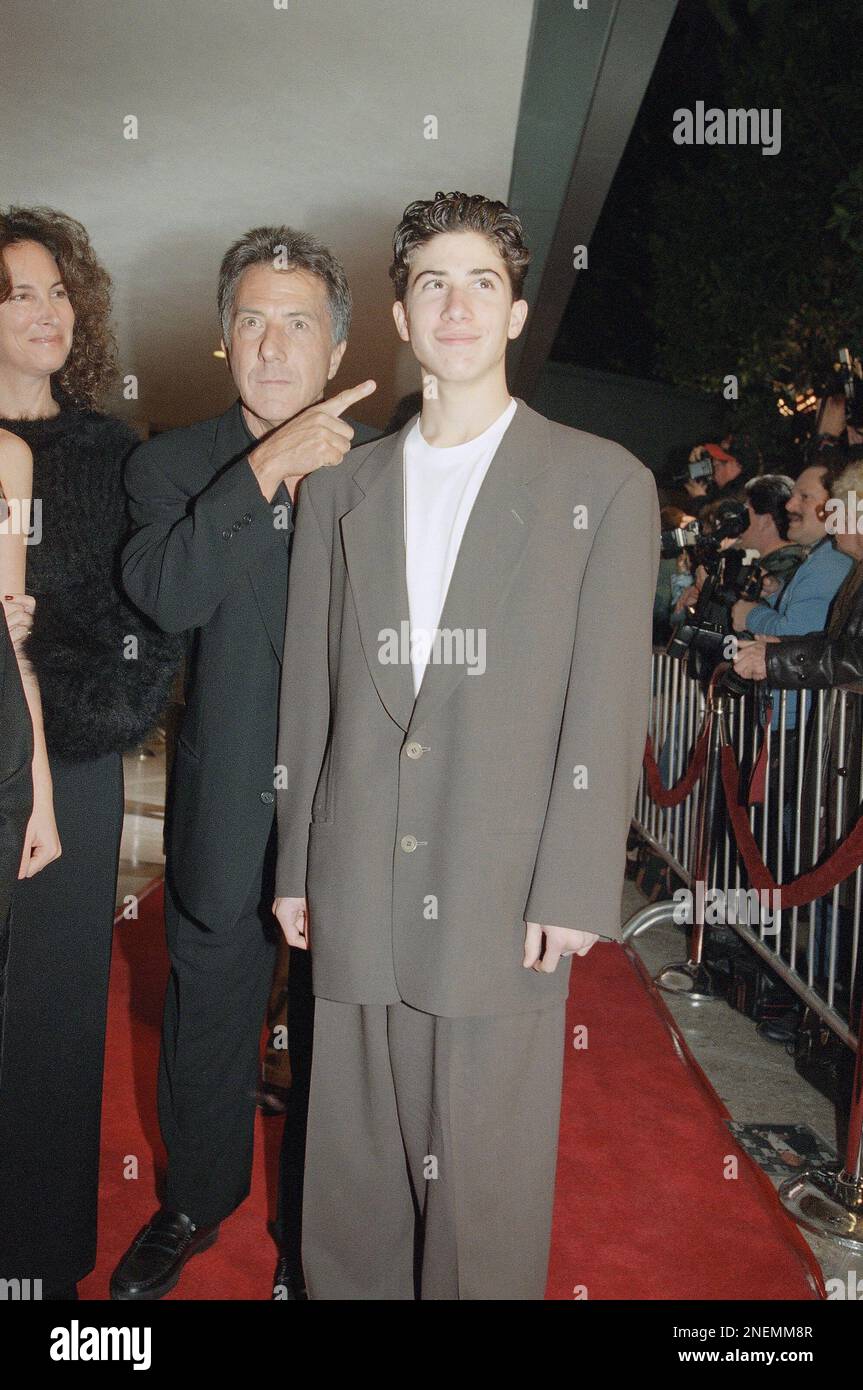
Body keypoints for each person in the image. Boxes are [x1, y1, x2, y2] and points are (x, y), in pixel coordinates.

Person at [272, 191, 659, 1300]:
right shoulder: (339, 491)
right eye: (431, 281)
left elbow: (606, 700)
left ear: (516, 309)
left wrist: (574, 880)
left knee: (480, 1202)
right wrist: (297, 860)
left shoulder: (600, 484)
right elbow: (313, 691)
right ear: (400, 312)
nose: (454, 303)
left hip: (499, 887)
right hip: (352, 874)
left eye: (479, 281)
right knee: (345, 1184)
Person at [113, 225, 376, 1302]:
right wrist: (269, 465)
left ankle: (317, 1234)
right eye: (251, 322)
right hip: (225, 796)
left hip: (355, 802)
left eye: (296, 322)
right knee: (210, 1002)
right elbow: (164, 594)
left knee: (337, 1018)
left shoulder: (390, 471)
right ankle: (193, 1202)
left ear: (338, 344)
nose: (272, 345)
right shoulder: (172, 463)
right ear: (226, 339)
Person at [0, 206, 182, 1301]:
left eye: (58, 290)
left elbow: (143, 617)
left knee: (59, 1014)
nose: (47, 310)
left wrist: (70, 717)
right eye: (18, 291)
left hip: (63, 762)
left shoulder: (111, 453)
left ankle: (33, 1262)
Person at [734, 457, 863, 1003]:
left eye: (841, 505)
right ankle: (816, 1005)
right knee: (831, 883)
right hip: (838, 756)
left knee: (833, 880)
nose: (831, 517)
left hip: (837, 753)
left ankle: (825, 1011)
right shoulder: (852, 568)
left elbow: (850, 656)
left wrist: (776, 660)